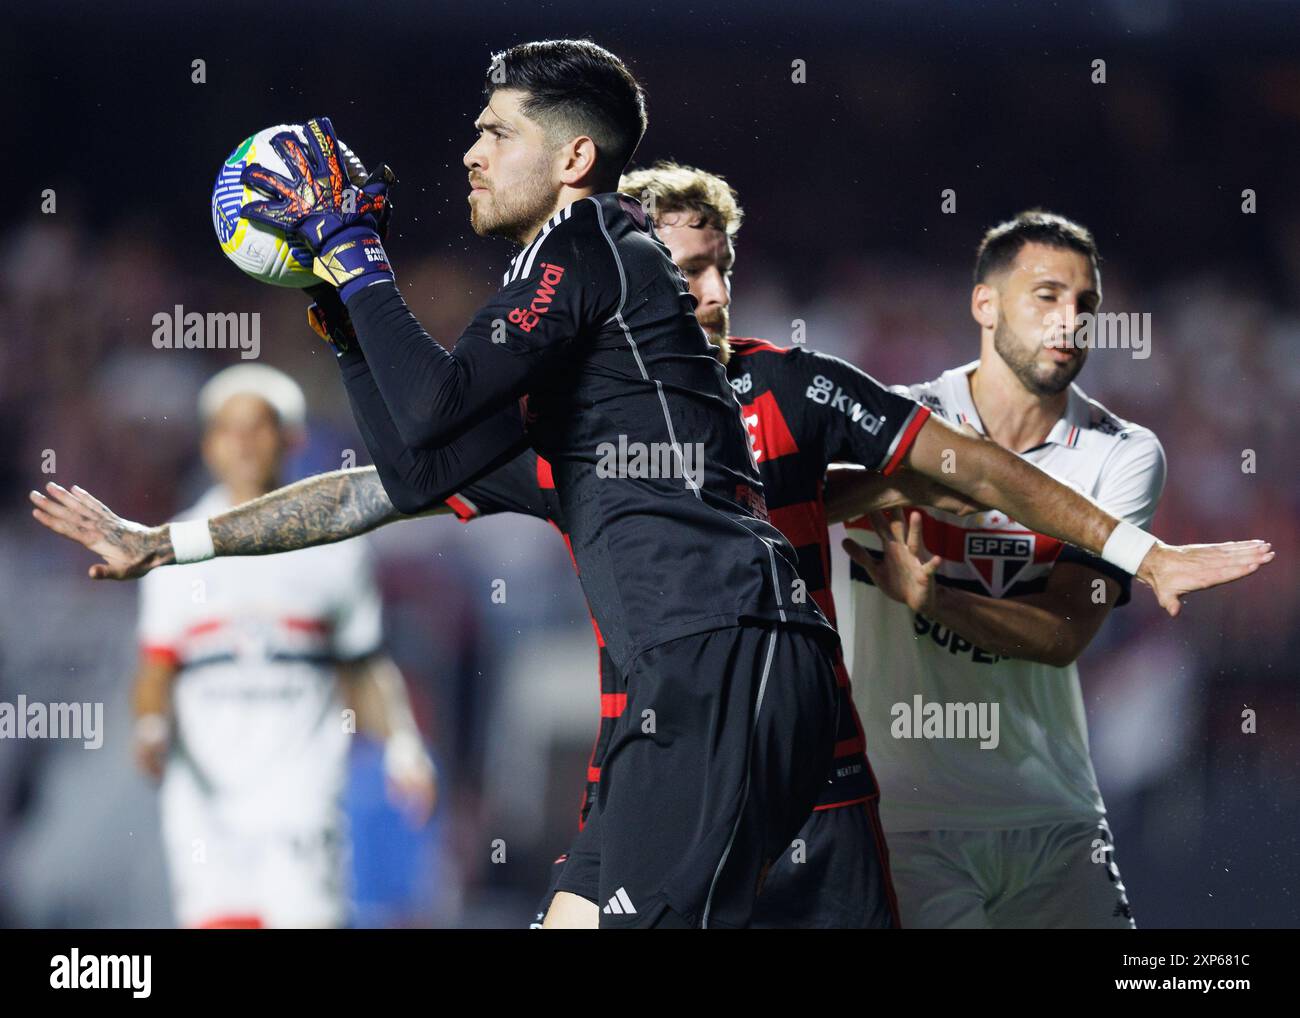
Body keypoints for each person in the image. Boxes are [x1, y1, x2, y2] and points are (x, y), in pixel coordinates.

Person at [32, 41, 1272, 927]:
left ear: (574, 162)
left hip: (732, 690)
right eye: (683, 266)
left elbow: (969, 464)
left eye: (492, 130)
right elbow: (399, 470)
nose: (466, 150)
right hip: (711, 700)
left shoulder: (615, 269)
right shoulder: (580, 394)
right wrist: (179, 535)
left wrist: (1132, 549)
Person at [841, 210, 1166, 927]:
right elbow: (785, 493)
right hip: (911, 824)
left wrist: (934, 601)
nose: (1070, 320)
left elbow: (1063, 635)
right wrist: (903, 481)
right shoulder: (899, 421)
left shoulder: (1121, 452)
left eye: (1085, 304)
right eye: (1046, 296)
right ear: (984, 305)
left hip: (1058, 819)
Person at [131, 364, 434, 928]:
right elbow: (156, 667)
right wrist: (150, 728)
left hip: (302, 794)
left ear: (292, 438)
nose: (243, 443)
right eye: (228, 429)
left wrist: (403, 748)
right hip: (207, 802)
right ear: (208, 445)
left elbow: (364, 666)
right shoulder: (172, 549)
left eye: (259, 427)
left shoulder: (337, 549)